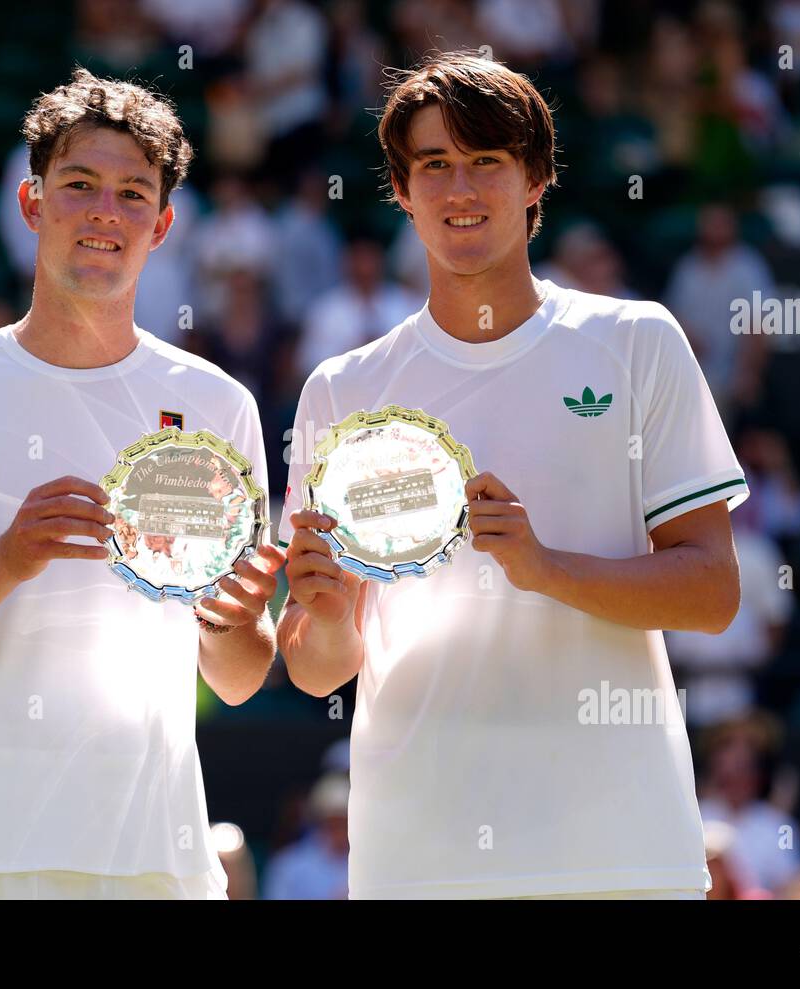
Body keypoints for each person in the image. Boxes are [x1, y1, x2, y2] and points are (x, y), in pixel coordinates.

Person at [276, 51, 747, 900]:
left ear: (536, 180)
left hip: (620, 850)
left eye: (487, 162)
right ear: (402, 191)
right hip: (416, 859)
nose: (461, 188)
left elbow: (712, 591)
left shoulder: (638, 340)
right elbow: (318, 668)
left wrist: (545, 568)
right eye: (435, 165)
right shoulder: (341, 389)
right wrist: (325, 609)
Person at [0, 67, 285, 900]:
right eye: (80, 184)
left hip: (154, 865)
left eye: (132, 194)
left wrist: (235, 618)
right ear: (34, 204)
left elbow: (240, 675)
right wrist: (7, 557)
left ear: (163, 224)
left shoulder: (220, 405)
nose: (106, 211)